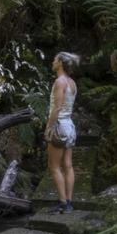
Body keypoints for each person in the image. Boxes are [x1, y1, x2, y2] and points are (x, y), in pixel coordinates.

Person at [45, 51, 79, 213]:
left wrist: (49, 128)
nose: (52, 61)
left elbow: (57, 108)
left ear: (60, 63)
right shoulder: (72, 83)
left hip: (59, 125)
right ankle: (69, 203)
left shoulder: (60, 82)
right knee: (68, 165)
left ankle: (62, 203)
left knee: (54, 166)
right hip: (70, 126)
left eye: (54, 59)